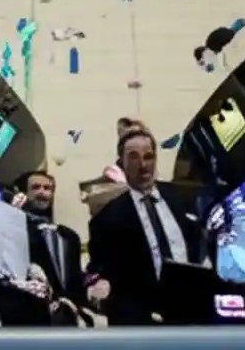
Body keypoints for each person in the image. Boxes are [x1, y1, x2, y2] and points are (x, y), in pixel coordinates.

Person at [86, 128, 204, 325]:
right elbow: (98, 270)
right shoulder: (106, 220)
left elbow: (198, 245)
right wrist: (97, 283)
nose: (143, 165)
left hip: (192, 310)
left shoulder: (182, 199)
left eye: (148, 157)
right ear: (121, 163)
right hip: (142, 321)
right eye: (133, 158)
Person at [16, 170, 86, 322]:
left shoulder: (69, 236)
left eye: (47, 188)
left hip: (69, 318)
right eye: (36, 187)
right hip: (29, 316)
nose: (42, 192)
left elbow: (75, 278)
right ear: (24, 193)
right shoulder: (15, 231)